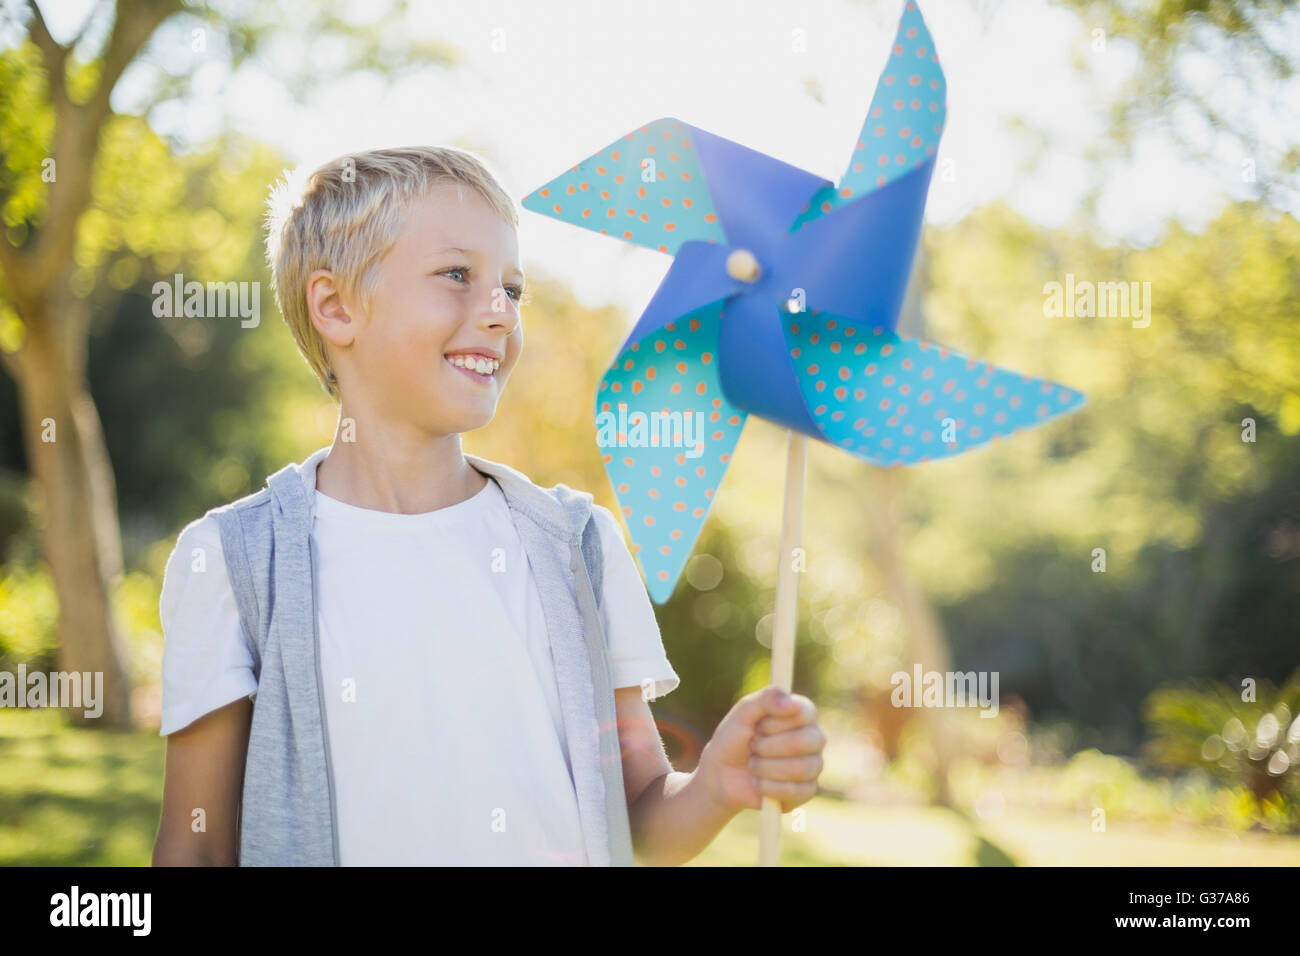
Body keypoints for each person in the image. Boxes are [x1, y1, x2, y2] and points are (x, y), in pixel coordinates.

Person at [151, 146, 825, 866]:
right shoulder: (236, 562)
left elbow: (634, 824)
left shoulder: (580, 547)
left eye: (512, 288)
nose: (500, 313)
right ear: (336, 306)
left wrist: (717, 785)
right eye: (456, 276)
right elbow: (195, 848)